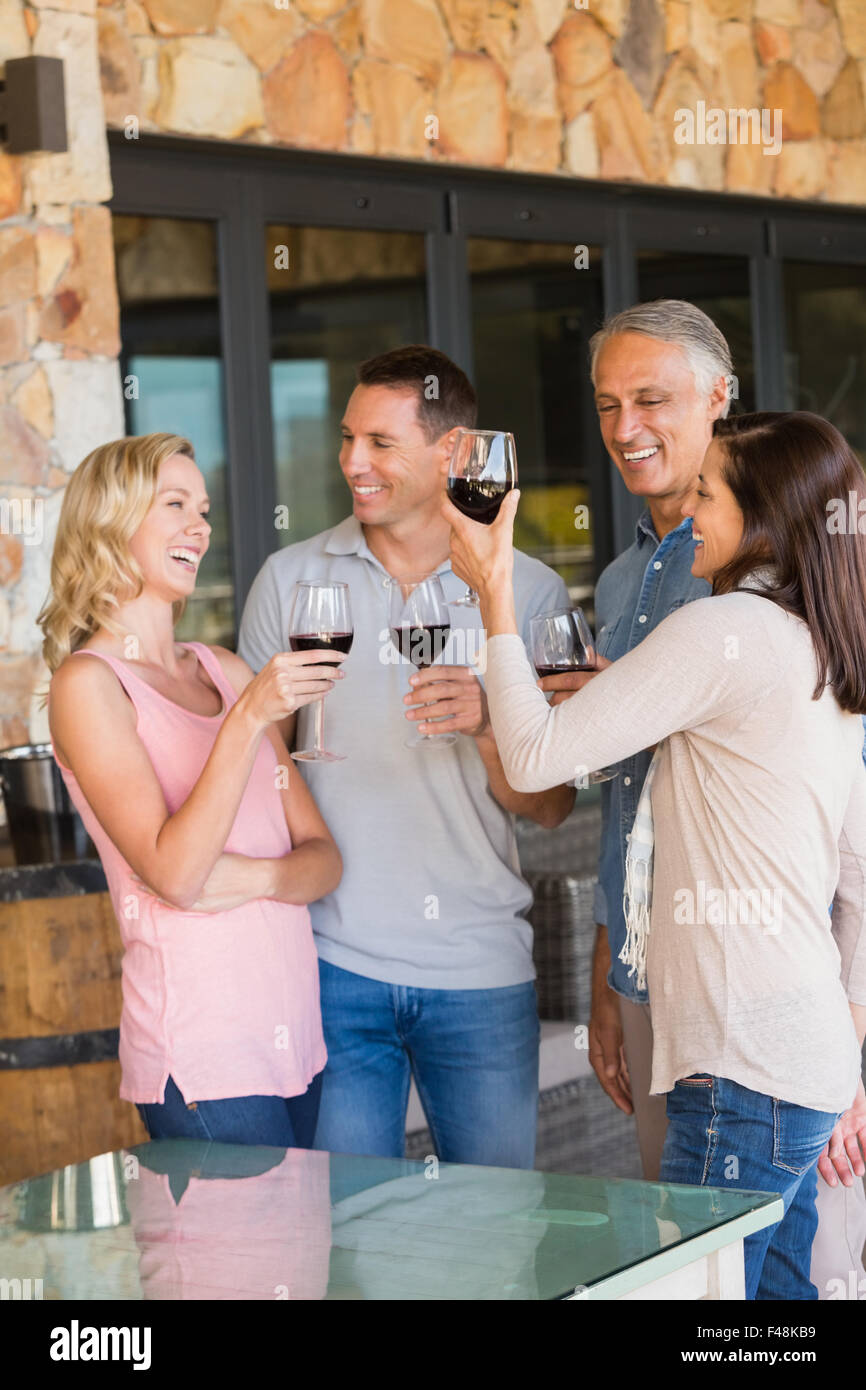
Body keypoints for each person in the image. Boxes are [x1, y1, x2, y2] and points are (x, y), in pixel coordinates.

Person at [444, 408, 866, 1299]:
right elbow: (861, 876)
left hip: (740, 1069)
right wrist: (848, 1043)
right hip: (804, 1062)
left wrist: (493, 592)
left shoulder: (723, 629)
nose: (687, 517)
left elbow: (535, 758)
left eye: (707, 495)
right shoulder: (823, 641)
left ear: (763, 516)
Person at [238, 345, 575, 1169]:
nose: (353, 462)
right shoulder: (289, 579)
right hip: (331, 966)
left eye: (381, 443)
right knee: (352, 1230)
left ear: (452, 451)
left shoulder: (527, 591)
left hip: (479, 969)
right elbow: (255, 772)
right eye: (348, 438)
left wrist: (491, 725)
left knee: (494, 1225)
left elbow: (552, 805)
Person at [40, 432, 343, 1146]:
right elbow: (176, 875)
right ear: (111, 521)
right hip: (203, 1061)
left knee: (301, 1228)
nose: (200, 526)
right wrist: (248, 719)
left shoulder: (224, 669)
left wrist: (257, 877)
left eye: (203, 509)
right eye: (175, 504)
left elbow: (325, 860)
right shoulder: (90, 686)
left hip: (296, 1042)